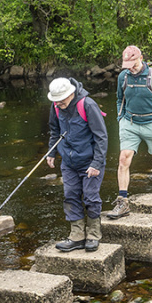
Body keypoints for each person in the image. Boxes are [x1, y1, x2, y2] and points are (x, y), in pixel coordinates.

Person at [106, 44, 152, 219]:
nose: (132, 68)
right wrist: (120, 118)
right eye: (128, 65)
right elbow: (119, 99)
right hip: (129, 123)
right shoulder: (123, 76)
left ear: (141, 58)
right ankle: (122, 202)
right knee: (123, 159)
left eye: (134, 63)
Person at [46, 77, 108, 251]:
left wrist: (96, 163)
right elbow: (55, 131)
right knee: (70, 195)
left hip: (90, 161)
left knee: (90, 197)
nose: (58, 103)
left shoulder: (87, 105)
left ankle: (94, 235)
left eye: (61, 100)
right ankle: (77, 236)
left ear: (71, 93)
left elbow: (101, 137)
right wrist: (51, 152)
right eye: (55, 101)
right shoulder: (56, 107)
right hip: (69, 161)